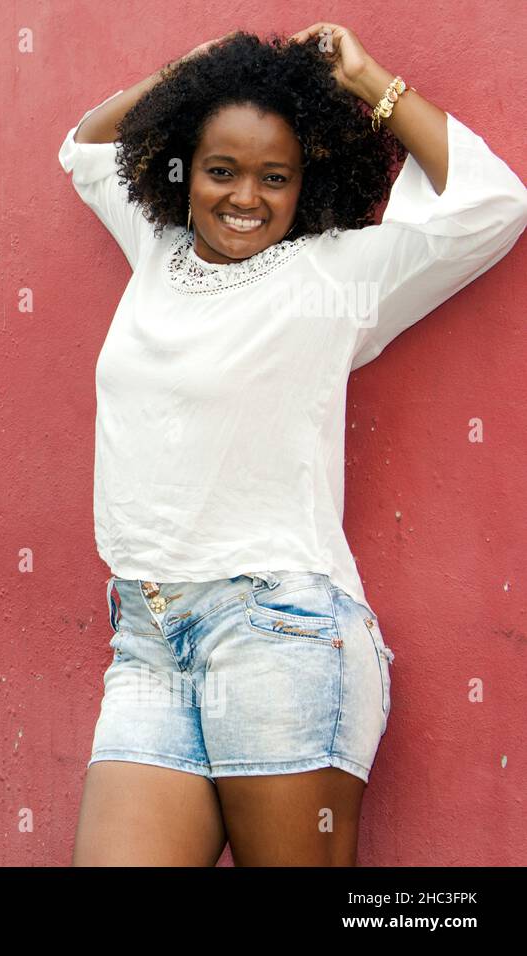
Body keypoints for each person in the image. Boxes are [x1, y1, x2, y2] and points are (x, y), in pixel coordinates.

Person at [59, 24, 527, 865]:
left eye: (275, 178)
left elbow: (496, 206)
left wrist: (369, 81)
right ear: (183, 170)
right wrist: (188, 74)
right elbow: (87, 148)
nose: (247, 197)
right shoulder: (156, 251)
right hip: (147, 639)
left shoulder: (332, 276)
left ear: (307, 182)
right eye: (221, 170)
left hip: (278, 632)